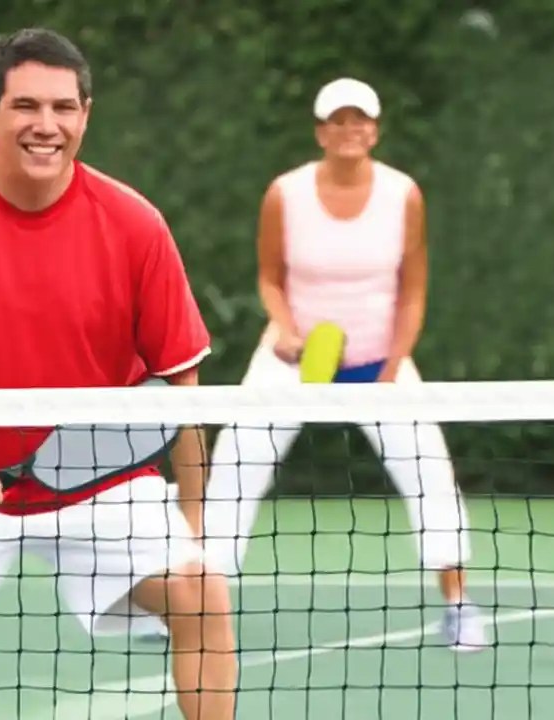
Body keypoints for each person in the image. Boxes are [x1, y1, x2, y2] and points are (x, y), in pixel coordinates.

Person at [0, 29, 236, 720]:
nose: (47, 125)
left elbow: (181, 396)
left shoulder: (136, 226)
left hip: (103, 483)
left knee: (202, 592)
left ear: (85, 115)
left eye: (64, 107)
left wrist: (194, 531)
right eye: (26, 106)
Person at [196, 77, 487, 651]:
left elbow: (413, 290)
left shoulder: (404, 194)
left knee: (430, 470)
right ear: (321, 132)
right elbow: (270, 277)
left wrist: (392, 366)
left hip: (379, 361)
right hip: (293, 359)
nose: (350, 129)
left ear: (374, 130)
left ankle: (458, 603)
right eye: (338, 120)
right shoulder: (285, 193)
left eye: (360, 120)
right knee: (234, 464)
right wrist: (285, 330)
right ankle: (200, 605)